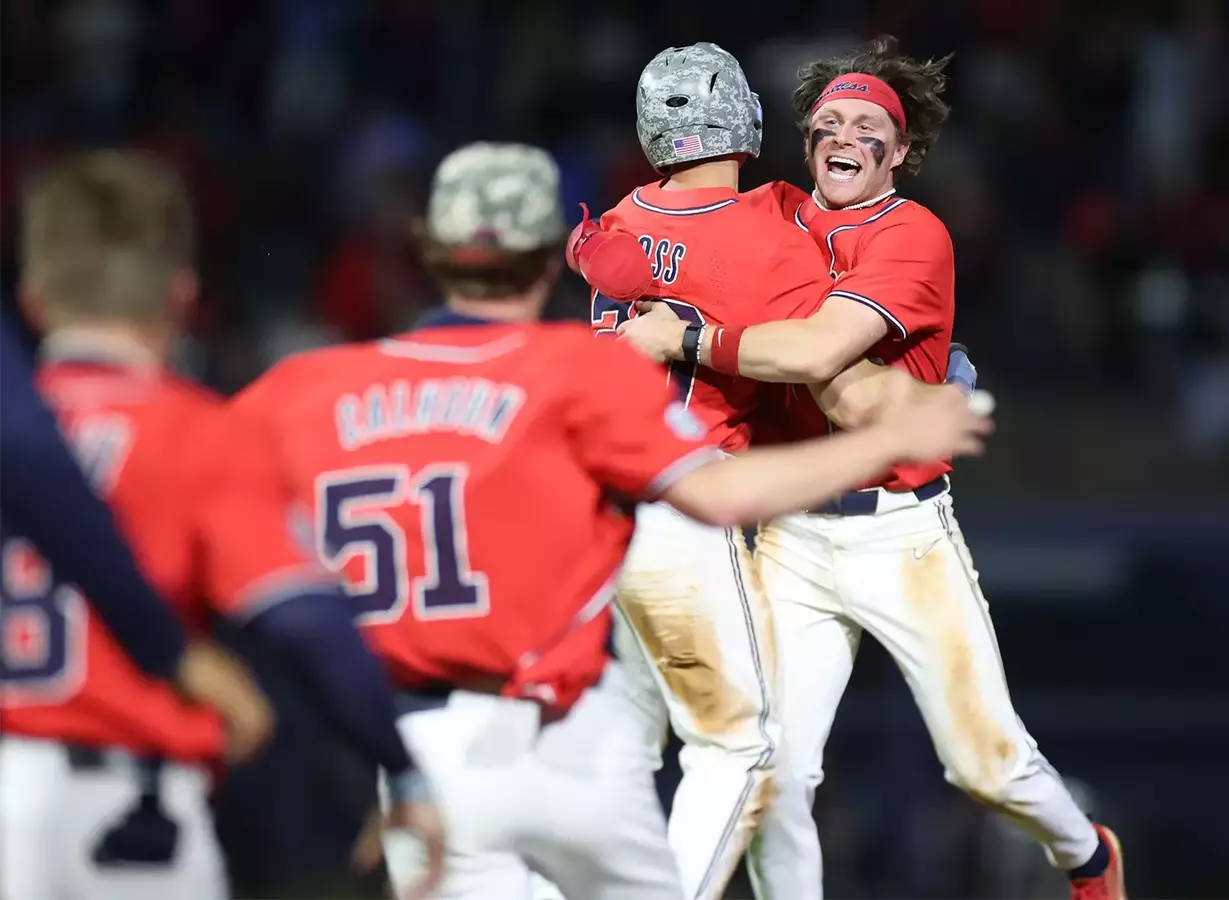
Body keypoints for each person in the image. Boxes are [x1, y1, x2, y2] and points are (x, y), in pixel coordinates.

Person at [233, 141, 990, 899]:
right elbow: (722, 495)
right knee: (737, 747)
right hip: (565, 739)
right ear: (549, 260)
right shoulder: (581, 369)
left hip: (418, 749)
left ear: (429, 249)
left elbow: (190, 492)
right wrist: (888, 443)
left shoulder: (309, 389)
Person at [608, 36, 1127, 900]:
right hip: (787, 535)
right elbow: (678, 245)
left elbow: (825, 365)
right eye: (829, 123)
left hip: (899, 531)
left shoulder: (912, 233)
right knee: (775, 776)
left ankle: (1086, 852)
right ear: (805, 138)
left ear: (902, 151)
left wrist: (693, 334)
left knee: (985, 767)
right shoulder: (766, 214)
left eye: (867, 126)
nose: (844, 135)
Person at [0, 151, 446, 900]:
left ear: (34, 299)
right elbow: (304, 622)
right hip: (121, 821)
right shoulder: (197, 433)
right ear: (181, 296)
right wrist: (396, 764)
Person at [1, 315, 272, 758]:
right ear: (182, 296)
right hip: (118, 774)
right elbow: (296, 612)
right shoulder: (190, 423)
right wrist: (171, 652)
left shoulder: (30, 406)